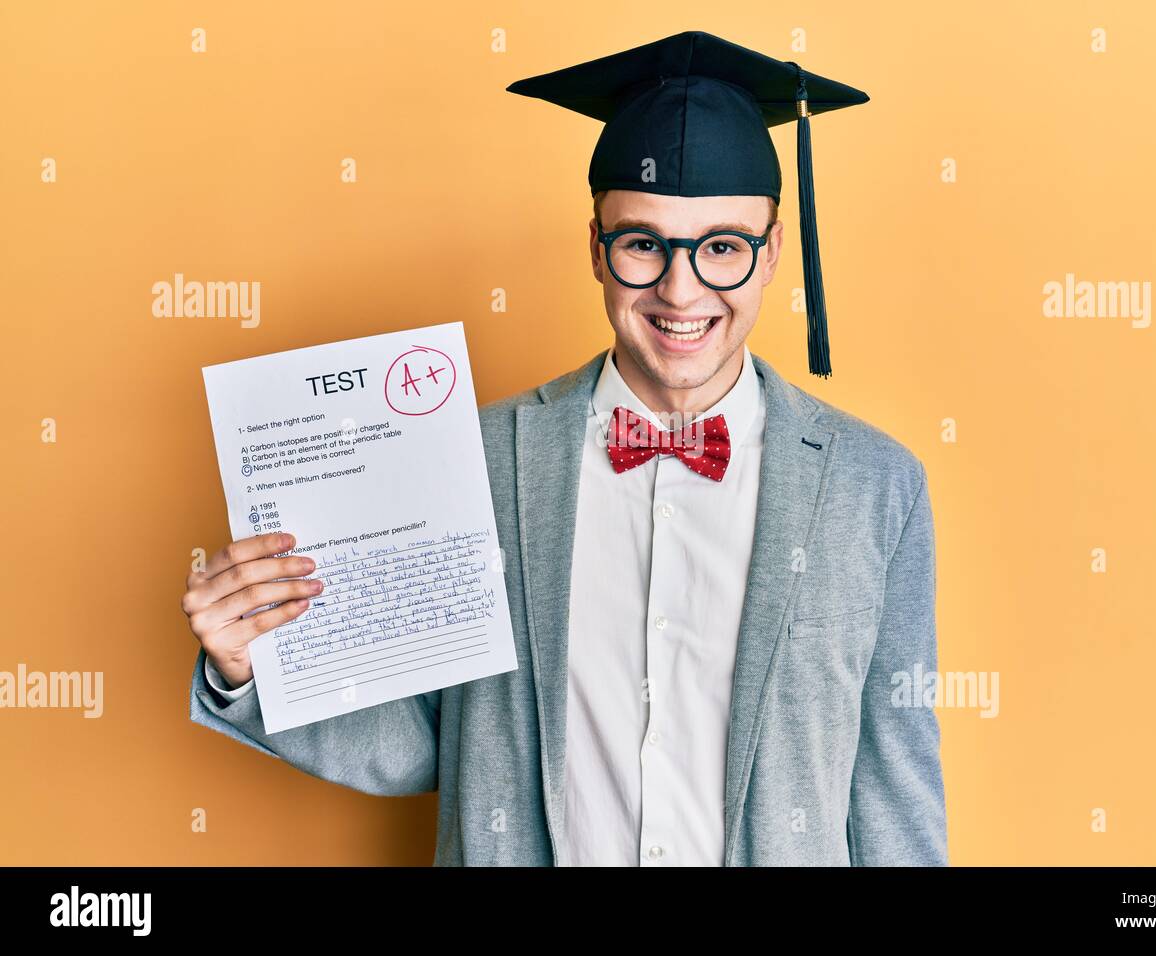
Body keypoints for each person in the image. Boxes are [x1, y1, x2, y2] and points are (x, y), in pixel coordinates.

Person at [184, 30, 948, 866]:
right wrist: (252, 667)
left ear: (771, 257)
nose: (681, 288)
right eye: (642, 243)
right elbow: (417, 743)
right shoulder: (474, 458)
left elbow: (893, 781)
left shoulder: (875, 486)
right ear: (597, 249)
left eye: (722, 247)